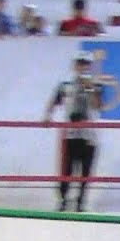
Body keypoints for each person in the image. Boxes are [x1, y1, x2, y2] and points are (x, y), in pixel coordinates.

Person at [44, 52, 102, 211]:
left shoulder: (96, 86)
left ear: (89, 66)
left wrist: (89, 88)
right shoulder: (66, 85)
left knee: (85, 172)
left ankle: (80, 203)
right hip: (70, 134)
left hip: (89, 136)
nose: (83, 67)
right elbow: (54, 101)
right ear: (75, 66)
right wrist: (47, 115)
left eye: (86, 64)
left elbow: (97, 106)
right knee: (66, 170)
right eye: (80, 63)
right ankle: (63, 201)